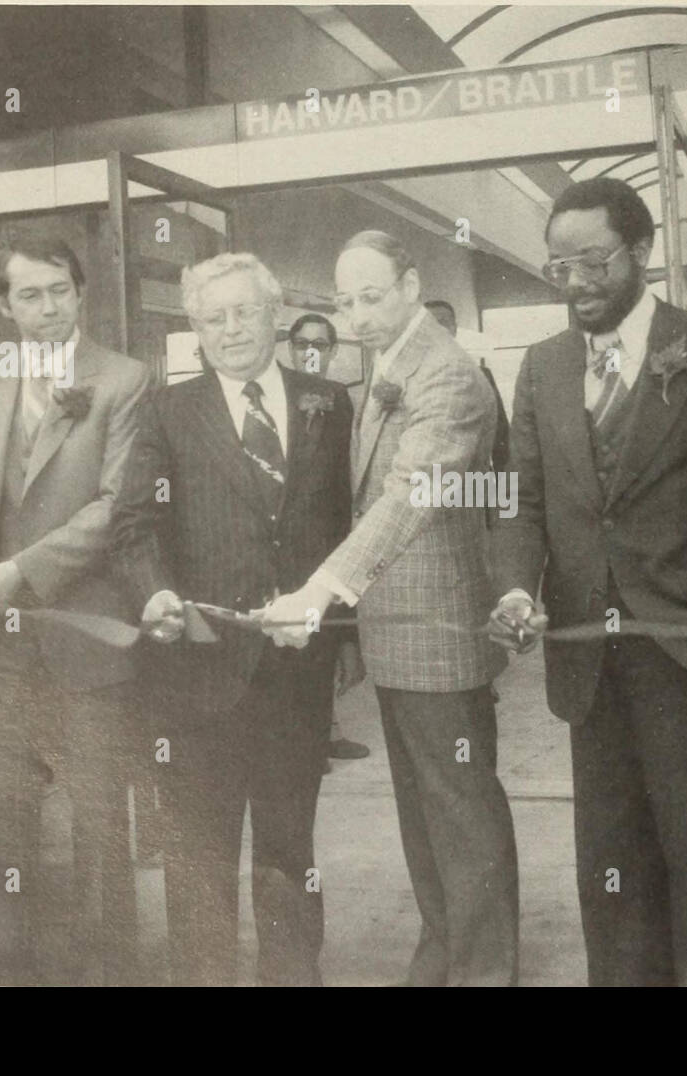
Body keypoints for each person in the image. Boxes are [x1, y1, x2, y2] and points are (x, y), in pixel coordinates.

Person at [488, 176, 687, 986]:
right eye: (559, 267)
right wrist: (515, 589)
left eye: (594, 262)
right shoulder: (542, 367)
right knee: (608, 856)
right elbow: (523, 501)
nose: (575, 283)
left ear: (641, 252)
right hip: (587, 656)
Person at [263, 231, 519, 986]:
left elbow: (411, 495)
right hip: (398, 636)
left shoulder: (445, 373)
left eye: (371, 296)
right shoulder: (386, 367)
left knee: (462, 815)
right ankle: (444, 947)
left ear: (410, 284)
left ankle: (483, 970)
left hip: (440, 634)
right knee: (425, 814)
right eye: (345, 301)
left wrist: (322, 587)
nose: (357, 313)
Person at [113, 253, 361, 986]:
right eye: (213, 317)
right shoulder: (167, 411)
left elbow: (346, 523)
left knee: (289, 847)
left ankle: (290, 975)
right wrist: (155, 593)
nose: (231, 330)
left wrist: (329, 610)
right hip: (199, 667)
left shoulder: (328, 401)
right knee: (202, 848)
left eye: (244, 312)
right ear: (194, 328)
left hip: (297, 671)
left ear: (275, 315)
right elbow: (135, 525)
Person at [0, 239, 150, 985]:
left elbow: (117, 508)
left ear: (82, 294)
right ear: (3, 305)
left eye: (59, 291)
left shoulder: (124, 380)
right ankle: (1, 971)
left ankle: (112, 971)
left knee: (99, 828)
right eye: (30, 296)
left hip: (83, 641)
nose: (47, 309)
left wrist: (19, 570)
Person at [287, 311, 370, 764]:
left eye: (320, 344)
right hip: (281, 534)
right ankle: (303, 745)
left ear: (334, 351)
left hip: (326, 530)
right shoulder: (274, 391)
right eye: (303, 344)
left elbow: (344, 471)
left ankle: (323, 735)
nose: (311, 352)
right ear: (291, 348)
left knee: (324, 638)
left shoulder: (340, 398)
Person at [424, 299, 510, 471]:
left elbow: (501, 439)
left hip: (473, 482)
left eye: (443, 323)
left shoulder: (481, 376)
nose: (437, 330)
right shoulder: (404, 379)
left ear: (454, 329)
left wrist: (507, 493)